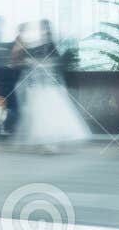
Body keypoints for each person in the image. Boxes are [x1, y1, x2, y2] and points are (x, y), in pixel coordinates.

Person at [12, 19, 88, 151]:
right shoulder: (41, 45)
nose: (44, 31)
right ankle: (47, 142)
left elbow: (52, 64)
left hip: (47, 86)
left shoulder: (46, 45)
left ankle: (48, 142)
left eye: (45, 28)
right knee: (44, 114)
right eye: (43, 28)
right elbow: (27, 61)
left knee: (47, 113)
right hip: (43, 86)